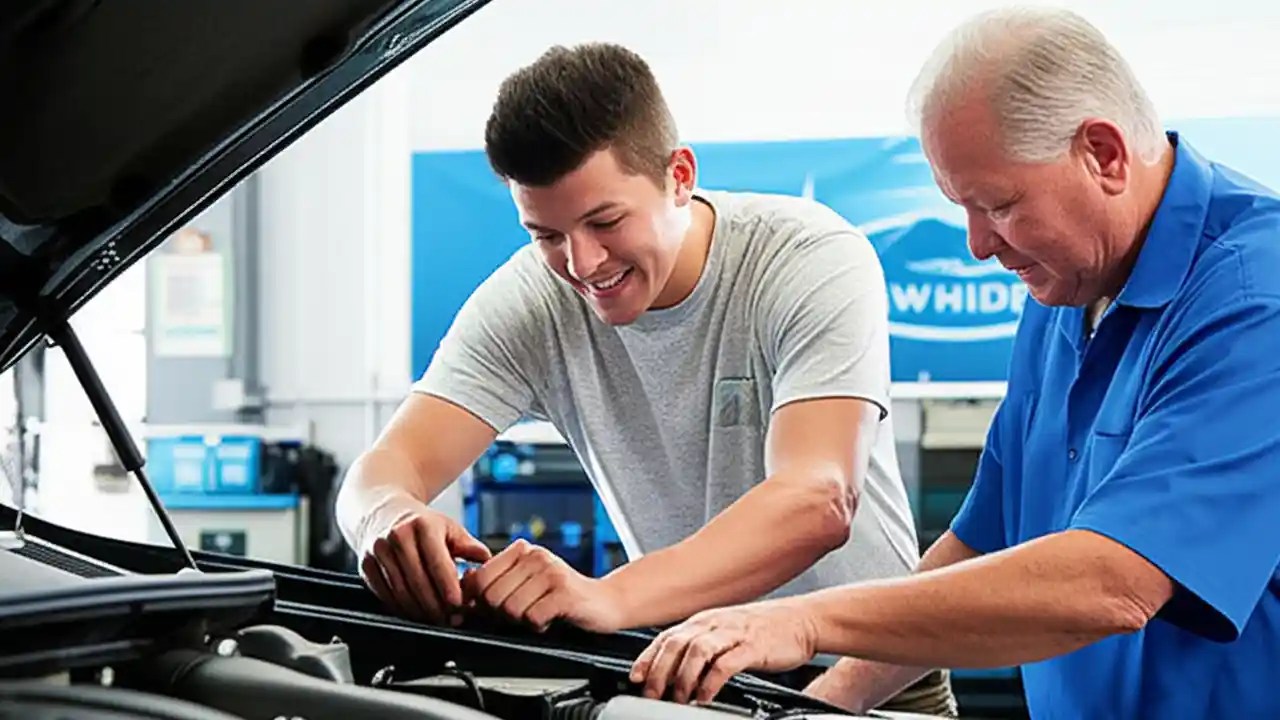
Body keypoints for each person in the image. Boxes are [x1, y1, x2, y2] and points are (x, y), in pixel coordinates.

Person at [629, 7, 1280, 717]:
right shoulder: (1064, 288)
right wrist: (815, 706)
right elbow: (981, 541)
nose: (977, 246)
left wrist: (801, 620)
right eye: (959, 207)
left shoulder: (1256, 297)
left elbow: (1113, 582)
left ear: (1104, 154)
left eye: (997, 204)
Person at [334, 42, 955, 714]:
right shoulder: (531, 302)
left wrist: (609, 596)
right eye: (545, 234)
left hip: (869, 674)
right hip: (689, 677)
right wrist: (386, 519)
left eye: (605, 221)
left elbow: (817, 500)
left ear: (679, 175)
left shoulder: (807, 259)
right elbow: (383, 469)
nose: (581, 263)